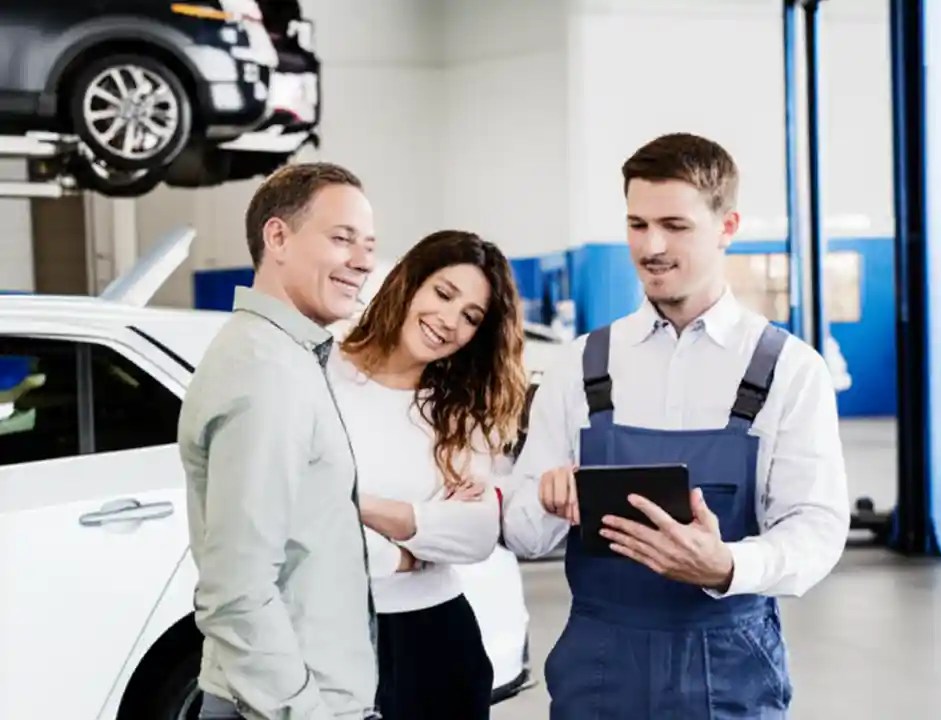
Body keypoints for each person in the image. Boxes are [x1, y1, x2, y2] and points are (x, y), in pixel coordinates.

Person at [500, 132, 851, 718]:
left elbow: (817, 527)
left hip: (729, 660)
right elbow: (525, 533)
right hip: (600, 663)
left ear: (727, 225)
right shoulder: (583, 364)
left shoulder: (789, 369)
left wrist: (729, 565)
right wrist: (544, 496)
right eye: (637, 225)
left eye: (675, 225)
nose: (652, 246)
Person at [177, 162, 381, 720]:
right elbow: (237, 589)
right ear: (277, 237)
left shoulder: (285, 356)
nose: (363, 260)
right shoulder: (265, 370)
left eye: (368, 245)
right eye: (342, 239)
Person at [327, 230, 528, 719]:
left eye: (471, 318)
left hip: (438, 642)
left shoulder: (459, 411)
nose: (448, 322)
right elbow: (298, 520)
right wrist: (407, 552)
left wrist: (359, 505)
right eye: (443, 293)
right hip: (335, 634)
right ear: (409, 282)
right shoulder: (322, 373)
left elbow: (477, 535)